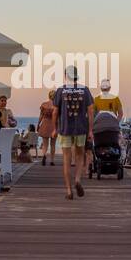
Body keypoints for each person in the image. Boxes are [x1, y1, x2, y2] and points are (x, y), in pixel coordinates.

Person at [52, 66, 94, 200]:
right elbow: (91, 111)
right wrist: (90, 130)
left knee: (66, 159)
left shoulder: (60, 90)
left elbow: (55, 112)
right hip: (81, 128)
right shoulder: (85, 90)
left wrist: (54, 128)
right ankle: (77, 180)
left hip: (65, 129)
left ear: (66, 75)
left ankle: (69, 191)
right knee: (80, 156)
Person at [37, 89, 57, 166]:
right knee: (53, 144)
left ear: (49, 96)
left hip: (45, 124)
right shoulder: (57, 106)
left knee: (45, 144)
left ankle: (44, 155)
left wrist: (38, 124)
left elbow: (41, 116)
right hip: (54, 124)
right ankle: (52, 160)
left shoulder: (44, 104)